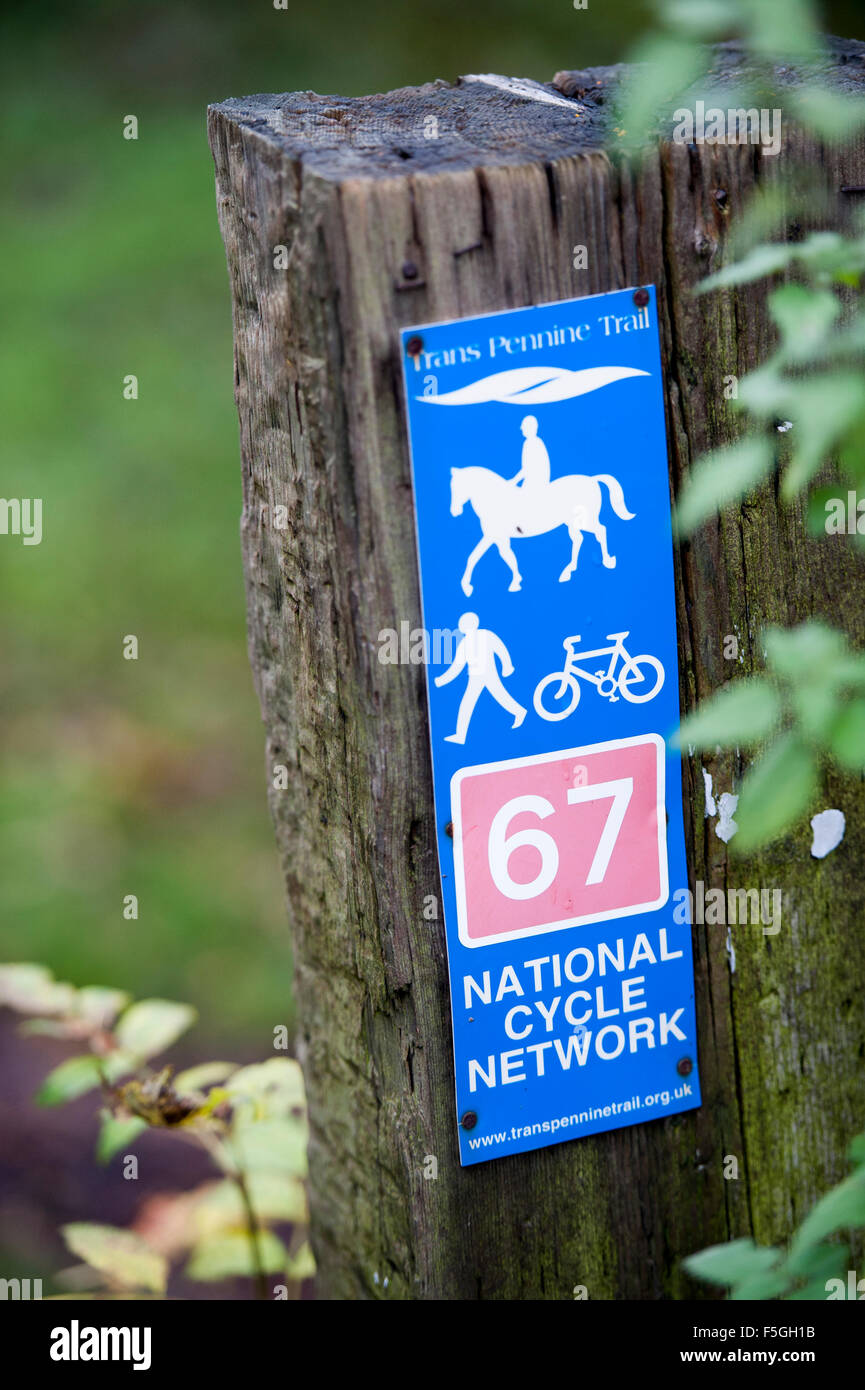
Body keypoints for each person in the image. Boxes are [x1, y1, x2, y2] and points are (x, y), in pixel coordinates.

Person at [434, 612, 526, 745]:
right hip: (475, 677)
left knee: (497, 697)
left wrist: (507, 666)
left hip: (488, 674)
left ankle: (520, 712)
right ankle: (460, 735)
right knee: (471, 702)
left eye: (463, 623)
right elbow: (457, 667)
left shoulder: (486, 635)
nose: (461, 626)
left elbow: (501, 649)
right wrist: (441, 680)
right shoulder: (464, 643)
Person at [510, 415, 551, 522]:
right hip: (536, 480)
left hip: (535, 482)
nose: (522, 429)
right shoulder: (535, 442)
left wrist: (513, 481)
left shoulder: (531, 443)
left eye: (524, 427)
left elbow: (527, 469)